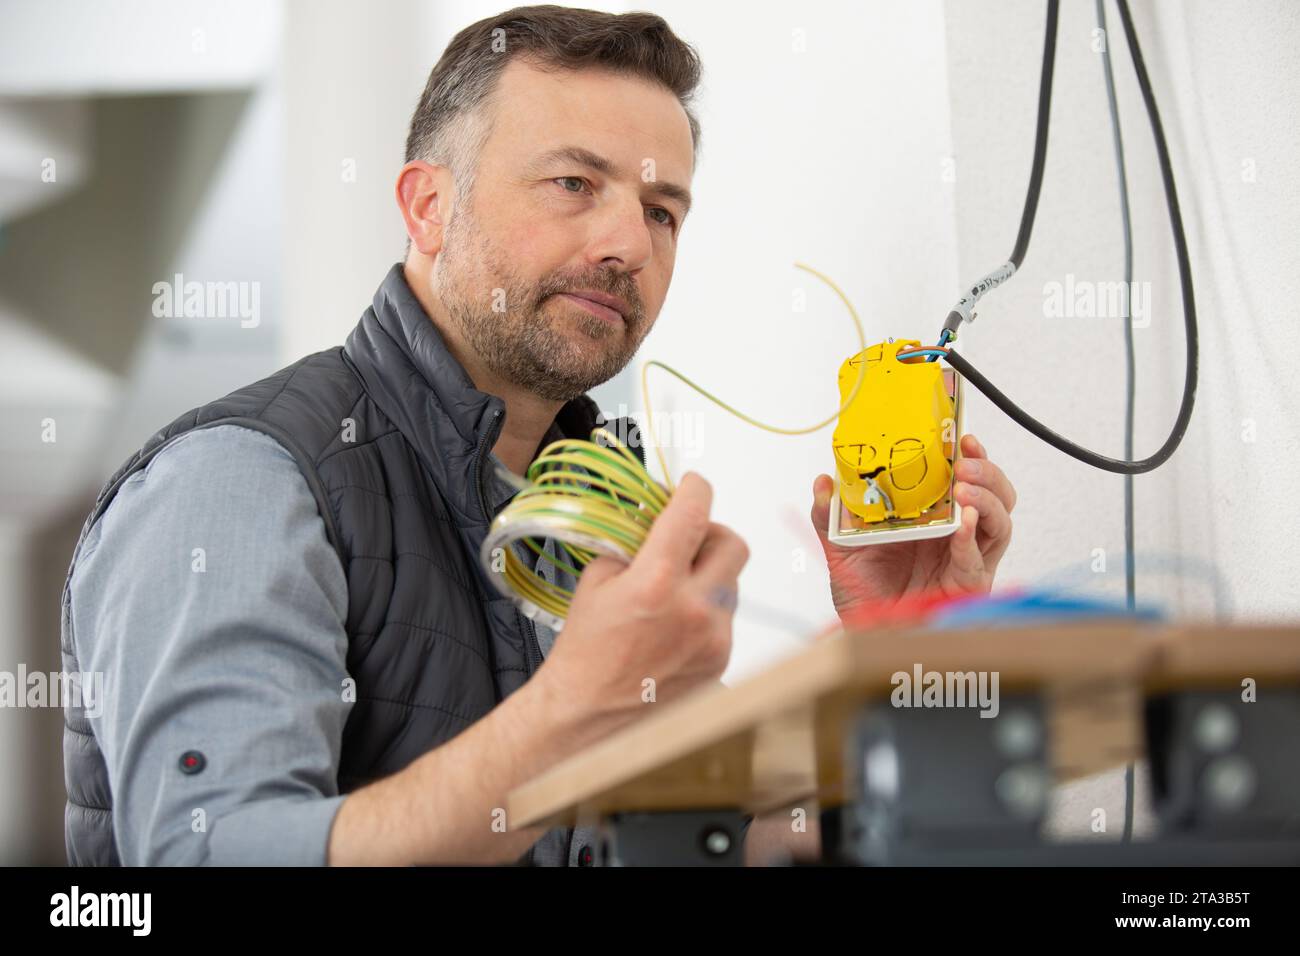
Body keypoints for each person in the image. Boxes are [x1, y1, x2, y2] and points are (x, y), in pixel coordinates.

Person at [60, 4, 1016, 867]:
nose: (630, 244)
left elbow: (733, 843)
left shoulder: (596, 512)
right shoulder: (240, 479)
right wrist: (573, 708)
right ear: (428, 207)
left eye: (660, 210)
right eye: (573, 182)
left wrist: (913, 651)